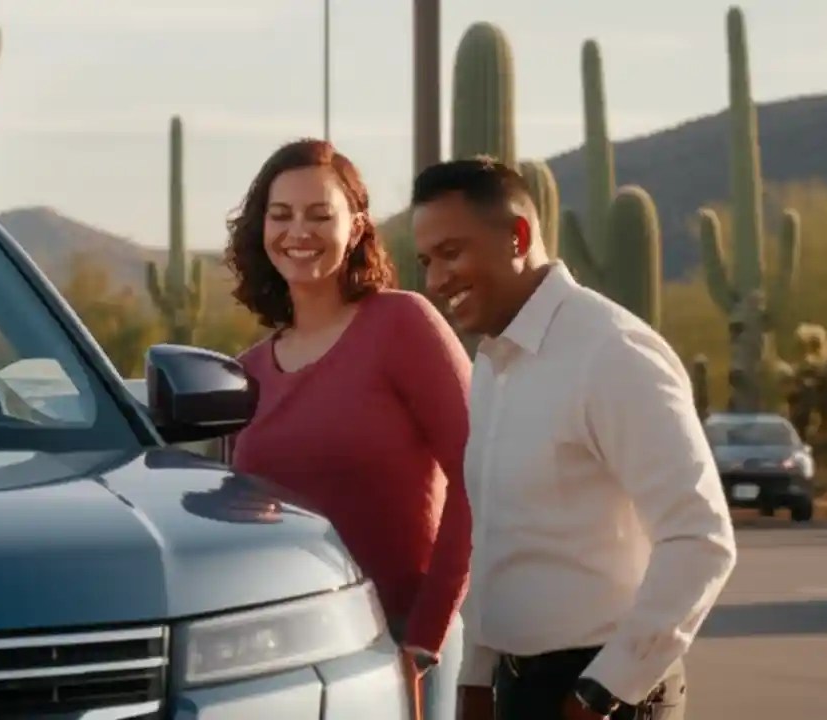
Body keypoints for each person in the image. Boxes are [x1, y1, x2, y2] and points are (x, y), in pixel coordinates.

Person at [409, 156, 738, 720]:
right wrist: (477, 676)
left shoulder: (612, 352)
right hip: (517, 687)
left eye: (451, 253)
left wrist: (602, 691)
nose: (436, 280)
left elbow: (700, 538)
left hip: (605, 695)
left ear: (517, 237)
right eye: (426, 261)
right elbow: (497, 537)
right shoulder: (491, 363)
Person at [224, 138, 473, 720]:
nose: (298, 232)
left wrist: (425, 636)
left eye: (319, 215)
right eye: (281, 215)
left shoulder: (402, 324)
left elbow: (478, 475)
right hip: (283, 657)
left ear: (356, 226)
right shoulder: (245, 373)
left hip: (400, 641)